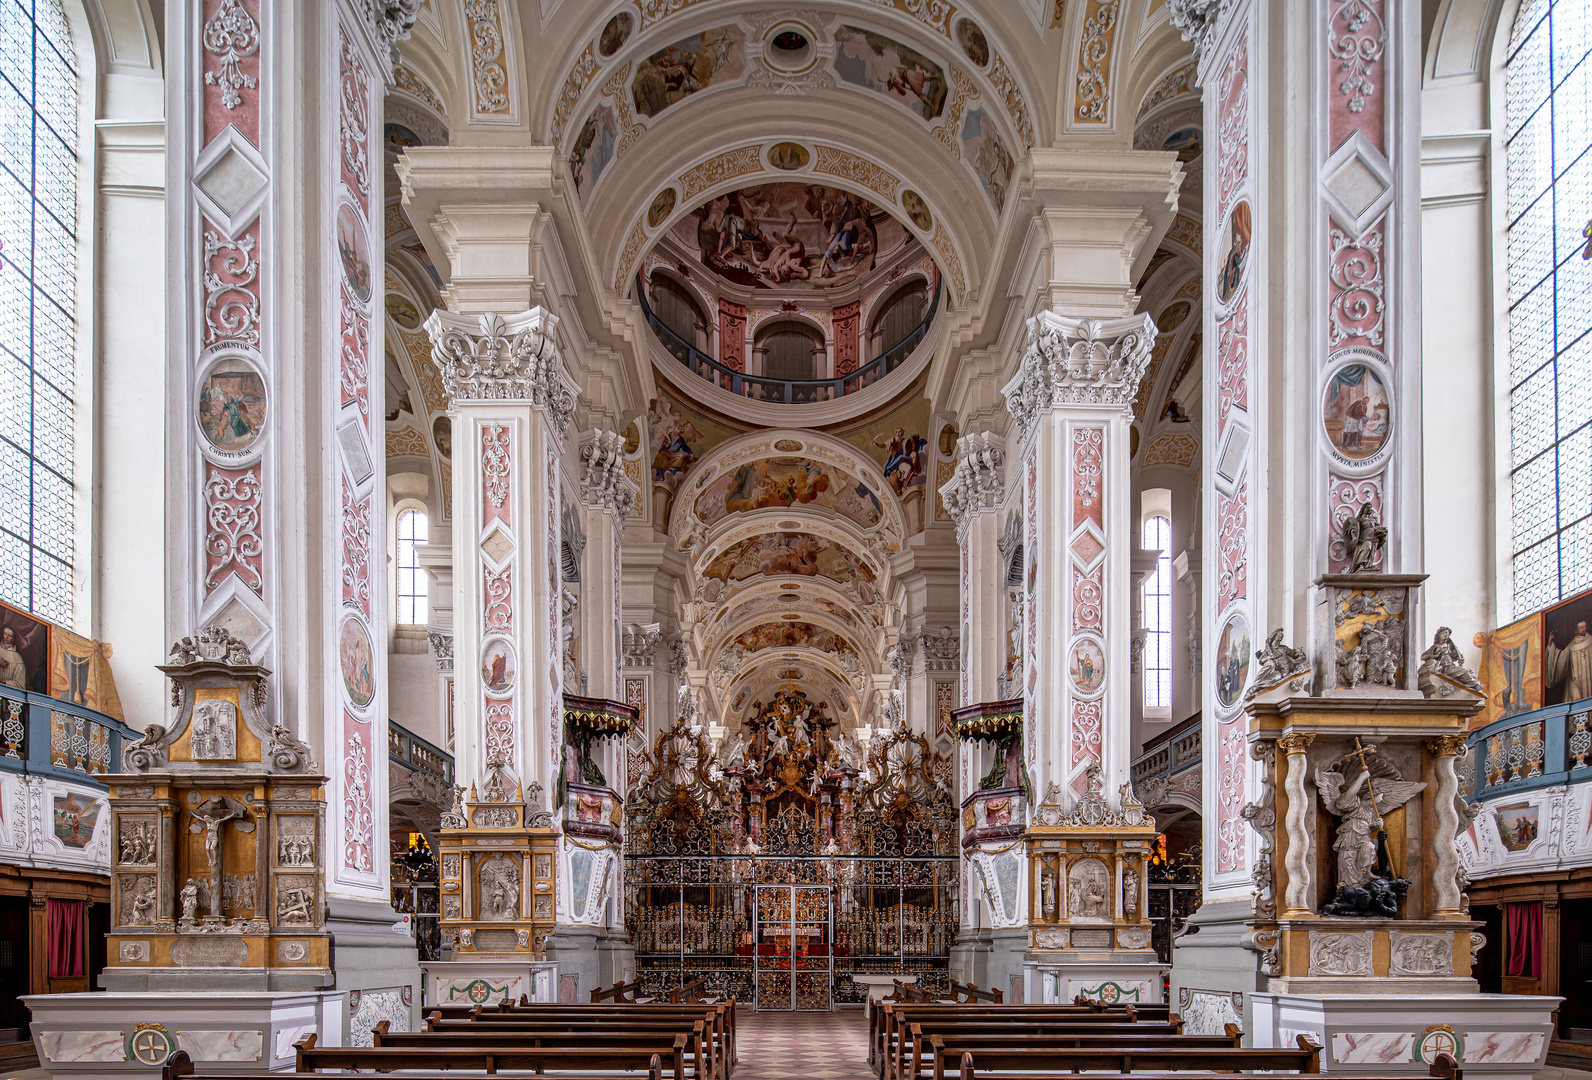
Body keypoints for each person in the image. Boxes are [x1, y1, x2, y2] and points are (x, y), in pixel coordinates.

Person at [1547, 619, 1592, 703]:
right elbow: (1559, 663)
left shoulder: (1591, 641)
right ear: (1575, 631)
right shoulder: (1570, 647)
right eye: (1581, 627)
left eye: (1585, 626)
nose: (1584, 629)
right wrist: (1550, 645)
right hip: (1574, 680)